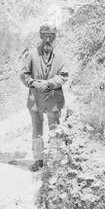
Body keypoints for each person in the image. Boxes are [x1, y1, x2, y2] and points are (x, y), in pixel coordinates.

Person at [20, 24, 69, 171]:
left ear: (54, 38)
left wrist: (48, 83)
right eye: (45, 36)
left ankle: (55, 158)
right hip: (35, 97)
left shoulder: (60, 56)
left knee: (54, 127)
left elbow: (64, 76)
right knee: (37, 128)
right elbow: (24, 74)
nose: (48, 39)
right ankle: (38, 159)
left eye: (51, 36)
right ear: (40, 36)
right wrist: (34, 83)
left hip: (53, 98)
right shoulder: (31, 54)